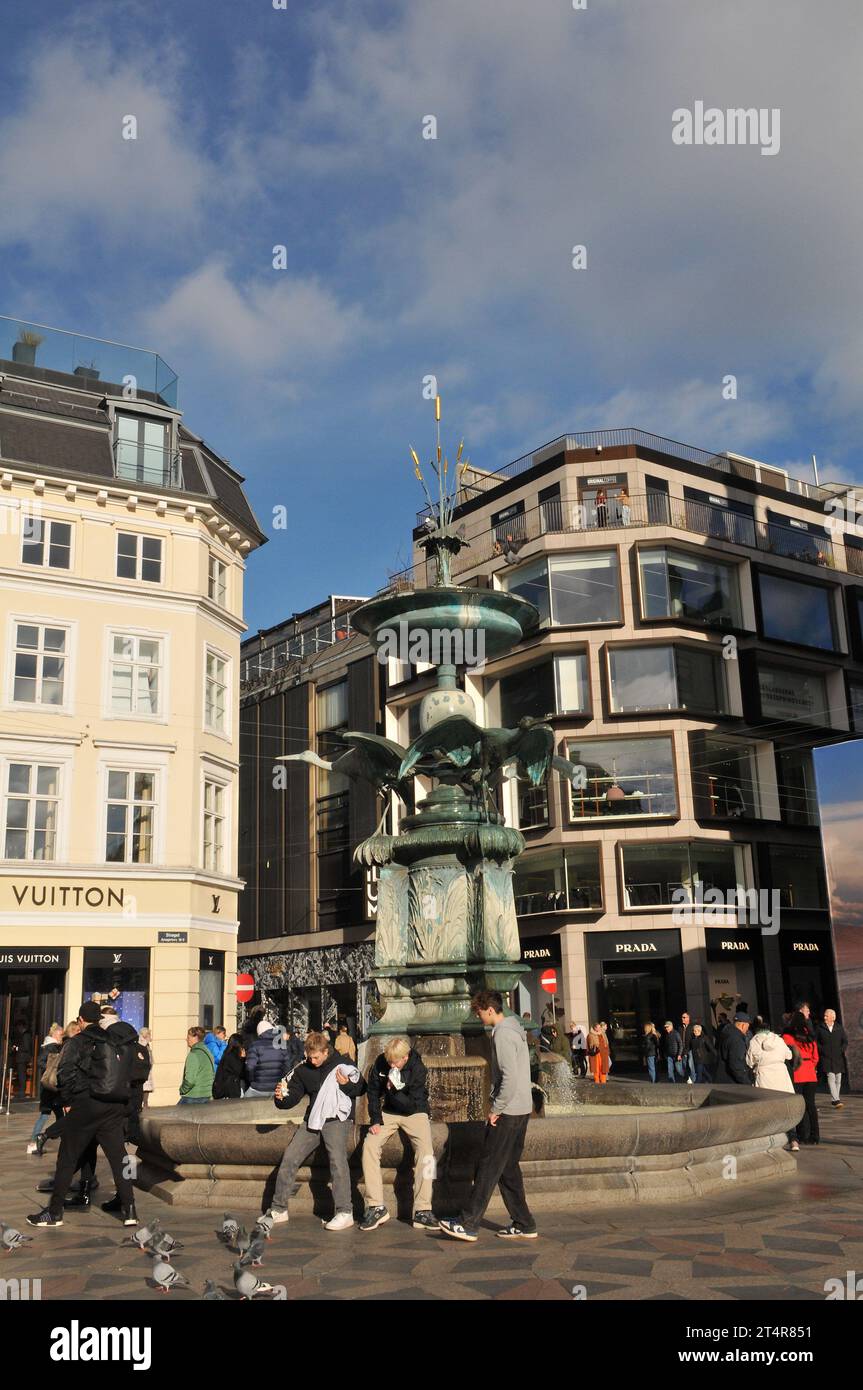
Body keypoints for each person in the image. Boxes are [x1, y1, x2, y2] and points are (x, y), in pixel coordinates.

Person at [26, 1001, 137, 1228]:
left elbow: (65, 1073)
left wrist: (67, 1102)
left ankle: (54, 1213)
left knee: (67, 1158)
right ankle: (130, 1210)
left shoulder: (77, 1041)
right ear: (99, 1019)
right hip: (114, 1106)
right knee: (120, 1159)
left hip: (87, 1104)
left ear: (80, 1020)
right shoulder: (112, 1040)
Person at [438, 991, 536, 1242]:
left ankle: (469, 1223)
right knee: (508, 1168)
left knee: (488, 1167)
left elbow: (509, 1076)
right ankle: (524, 1222)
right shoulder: (516, 1027)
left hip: (509, 1110)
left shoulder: (502, 1033)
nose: (479, 1017)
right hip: (522, 1108)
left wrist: (496, 1109)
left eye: (480, 1013)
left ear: (489, 1010)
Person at [266, 1031, 366, 1231]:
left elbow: (361, 1088)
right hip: (313, 1120)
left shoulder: (343, 1065)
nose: (312, 1061)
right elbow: (292, 1097)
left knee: (337, 1161)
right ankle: (279, 1209)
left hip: (337, 1119)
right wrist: (281, 1097)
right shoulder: (304, 1069)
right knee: (290, 1158)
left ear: (326, 1052)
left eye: (316, 1057)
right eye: (309, 1057)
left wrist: (346, 1085)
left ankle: (345, 1211)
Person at [360, 1036, 438, 1232]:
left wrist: (394, 1090)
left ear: (405, 1057)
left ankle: (423, 1210)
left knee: (427, 1153)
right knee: (369, 1145)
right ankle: (375, 1206)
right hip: (389, 1112)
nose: (391, 1064)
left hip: (415, 1111)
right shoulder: (381, 1062)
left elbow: (411, 1104)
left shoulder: (418, 1068)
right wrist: (376, 1120)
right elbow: (373, 1092)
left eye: (395, 1061)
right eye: (389, 1061)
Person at [783, 1011, 820, 1149]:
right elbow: (816, 1057)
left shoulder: (788, 1036)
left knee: (799, 1106)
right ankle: (815, 1135)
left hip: (797, 1073)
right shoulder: (810, 1036)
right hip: (810, 1072)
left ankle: (802, 1134)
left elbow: (786, 1055)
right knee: (811, 1105)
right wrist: (811, 1065)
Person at [26, 1024, 64, 1153]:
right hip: (50, 1088)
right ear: (54, 1035)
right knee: (46, 1115)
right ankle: (33, 1142)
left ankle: (37, 1141)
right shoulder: (50, 1047)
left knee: (58, 1116)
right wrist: (52, 1067)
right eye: (60, 1034)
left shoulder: (53, 1046)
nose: (62, 1037)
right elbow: (40, 1062)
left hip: (51, 1088)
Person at [243, 1017, 288, 1098]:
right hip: (277, 1087)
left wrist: (252, 1081)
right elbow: (287, 1066)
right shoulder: (281, 1045)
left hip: (258, 1087)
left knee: (243, 1103)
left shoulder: (255, 1045)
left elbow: (250, 1067)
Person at [746, 1019, 794, 1093]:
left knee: (767, 1098)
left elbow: (749, 1062)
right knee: (783, 1098)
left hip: (764, 1075)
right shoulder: (778, 1040)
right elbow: (789, 1055)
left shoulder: (754, 1041)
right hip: (781, 1073)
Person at [815, 1009, 848, 1108]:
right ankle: (836, 1100)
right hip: (826, 1057)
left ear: (833, 1017)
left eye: (826, 1016)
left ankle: (834, 1099)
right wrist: (822, 1050)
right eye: (824, 1016)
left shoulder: (839, 1028)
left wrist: (841, 1050)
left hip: (838, 1057)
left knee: (838, 1079)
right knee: (831, 1077)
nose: (824, 1017)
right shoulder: (820, 1028)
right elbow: (815, 1041)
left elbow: (845, 1041)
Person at [178, 1026, 214, 1104]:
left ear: (195, 1037)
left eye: (188, 1037)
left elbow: (190, 1080)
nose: (187, 1040)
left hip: (193, 1096)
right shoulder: (207, 1052)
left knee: (175, 1115)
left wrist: (182, 1090)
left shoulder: (193, 1054)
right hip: (206, 1095)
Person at [717, 1013, 753, 1085]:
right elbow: (736, 1064)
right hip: (733, 1082)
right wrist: (746, 1082)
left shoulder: (727, 1033)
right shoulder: (736, 1039)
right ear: (743, 1025)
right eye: (747, 1026)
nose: (747, 1029)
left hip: (723, 1078)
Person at [213, 1033, 247, 1099]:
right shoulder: (232, 1056)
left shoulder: (227, 1053)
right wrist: (243, 1059)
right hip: (229, 1091)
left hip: (224, 1089)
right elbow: (239, 1072)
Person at [138, 1028, 154, 1106]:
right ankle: (144, 1104)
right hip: (143, 1070)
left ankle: (145, 1103)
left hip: (147, 1069)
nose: (150, 1036)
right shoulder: (141, 1044)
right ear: (145, 1035)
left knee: (146, 1088)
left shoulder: (146, 1044)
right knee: (143, 1088)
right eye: (149, 1034)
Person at [680, 1012, 696, 1083]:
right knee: (684, 1065)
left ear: (688, 1018)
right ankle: (688, 1078)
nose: (682, 1019)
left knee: (690, 1065)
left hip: (690, 1049)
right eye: (682, 1017)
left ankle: (693, 1079)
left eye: (684, 1017)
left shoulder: (692, 1027)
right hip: (683, 1050)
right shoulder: (680, 1027)